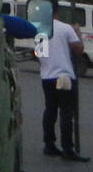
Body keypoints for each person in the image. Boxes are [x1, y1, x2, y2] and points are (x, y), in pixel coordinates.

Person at [37, 15, 88, 161]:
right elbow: (79, 50)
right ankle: (67, 148)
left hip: (47, 77)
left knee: (50, 110)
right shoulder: (66, 28)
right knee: (66, 112)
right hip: (64, 76)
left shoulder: (41, 30)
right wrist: (77, 33)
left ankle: (49, 144)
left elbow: (39, 54)